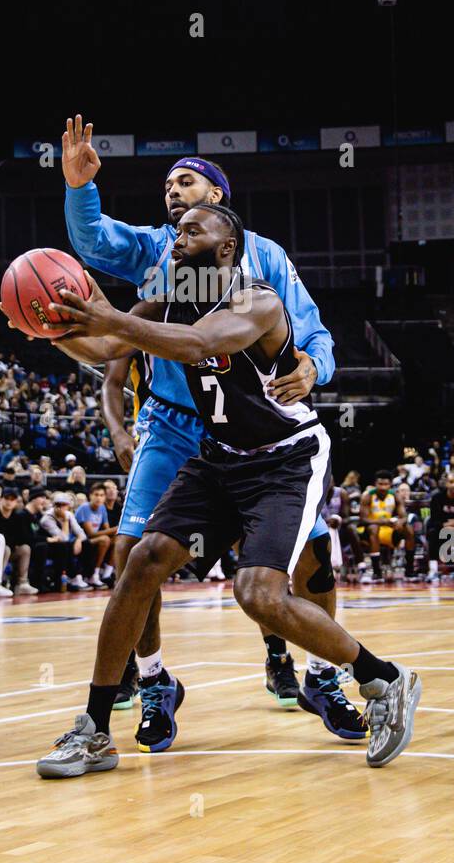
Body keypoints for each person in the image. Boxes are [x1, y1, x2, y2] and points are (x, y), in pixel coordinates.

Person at [23, 203, 418, 777]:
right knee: (141, 560)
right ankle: (94, 730)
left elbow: (191, 345)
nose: (178, 237)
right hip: (220, 458)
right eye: (177, 231)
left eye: (193, 230)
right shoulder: (171, 291)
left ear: (227, 247)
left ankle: (384, 679)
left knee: (259, 594)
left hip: (285, 461)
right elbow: (108, 349)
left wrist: (108, 318)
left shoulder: (256, 301)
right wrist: (50, 330)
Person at [60, 117, 354, 738]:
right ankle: (154, 679)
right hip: (172, 425)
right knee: (131, 554)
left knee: (309, 557)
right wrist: (80, 188)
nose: (171, 192)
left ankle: (323, 676)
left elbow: (316, 332)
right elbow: (94, 244)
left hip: (256, 427)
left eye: (186, 181)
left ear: (218, 198)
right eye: (166, 185)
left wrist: (312, 367)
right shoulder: (155, 249)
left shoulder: (266, 257)